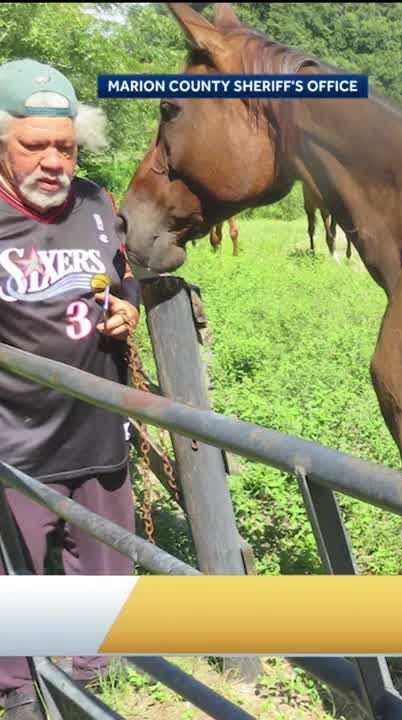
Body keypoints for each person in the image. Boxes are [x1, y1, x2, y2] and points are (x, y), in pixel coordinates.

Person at [0, 59, 141, 720]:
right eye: (34, 146)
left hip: (96, 425)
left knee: (107, 572)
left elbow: (124, 277)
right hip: (14, 436)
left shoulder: (95, 203)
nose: (53, 161)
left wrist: (127, 307)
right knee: (14, 584)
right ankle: (22, 694)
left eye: (66, 146)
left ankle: (93, 685)